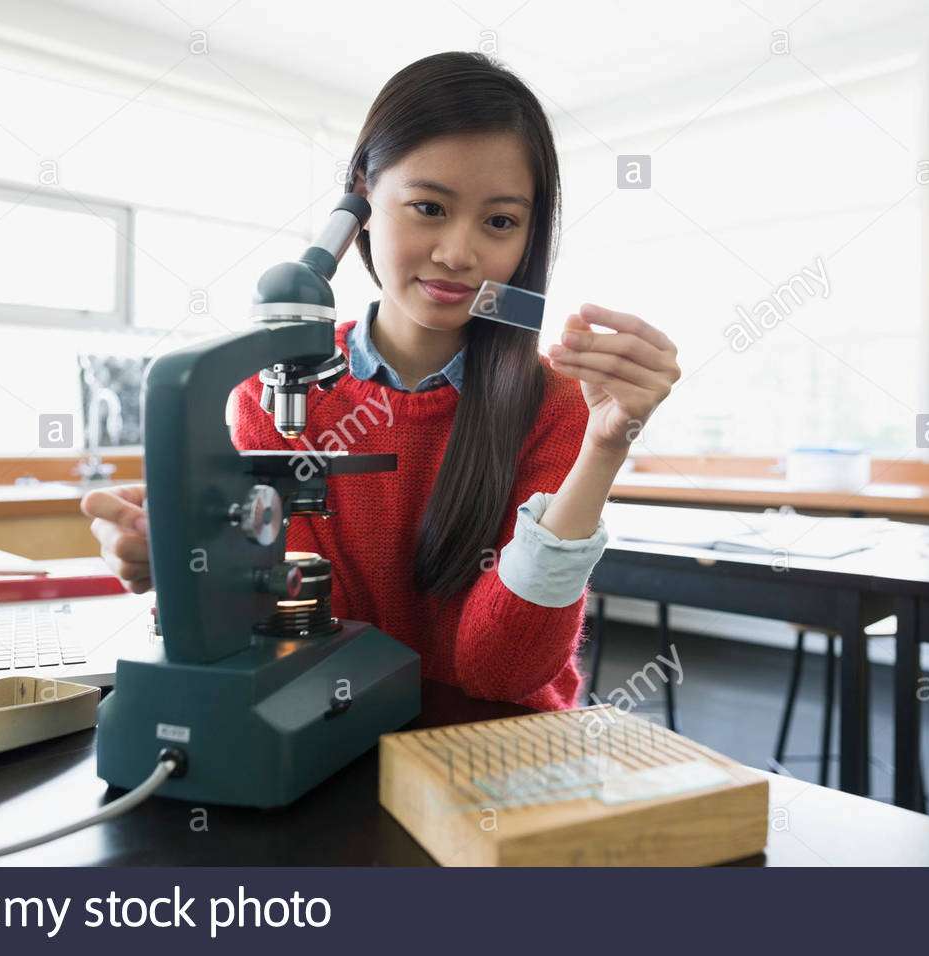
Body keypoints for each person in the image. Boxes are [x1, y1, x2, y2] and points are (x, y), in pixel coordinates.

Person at [82, 51, 680, 711]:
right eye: (429, 207)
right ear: (362, 199)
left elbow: (497, 672)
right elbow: (286, 617)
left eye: (500, 221)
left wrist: (606, 447)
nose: (459, 253)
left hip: (491, 749)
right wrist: (186, 567)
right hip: (327, 723)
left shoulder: (558, 405)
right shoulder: (274, 393)